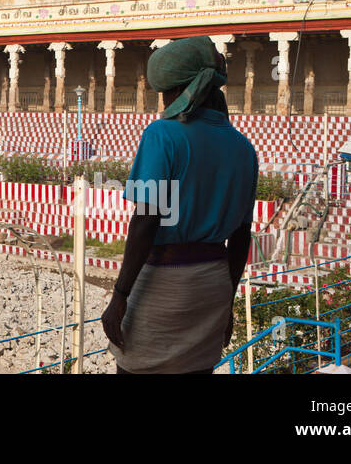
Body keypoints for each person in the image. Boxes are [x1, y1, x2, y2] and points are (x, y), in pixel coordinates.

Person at [101, 35, 257, 374]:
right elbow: (242, 237)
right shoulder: (244, 147)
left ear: (181, 90)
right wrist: (226, 302)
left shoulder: (163, 134)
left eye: (166, 92)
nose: (164, 100)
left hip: (164, 284)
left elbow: (146, 219)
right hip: (213, 285)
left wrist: (120, 295)